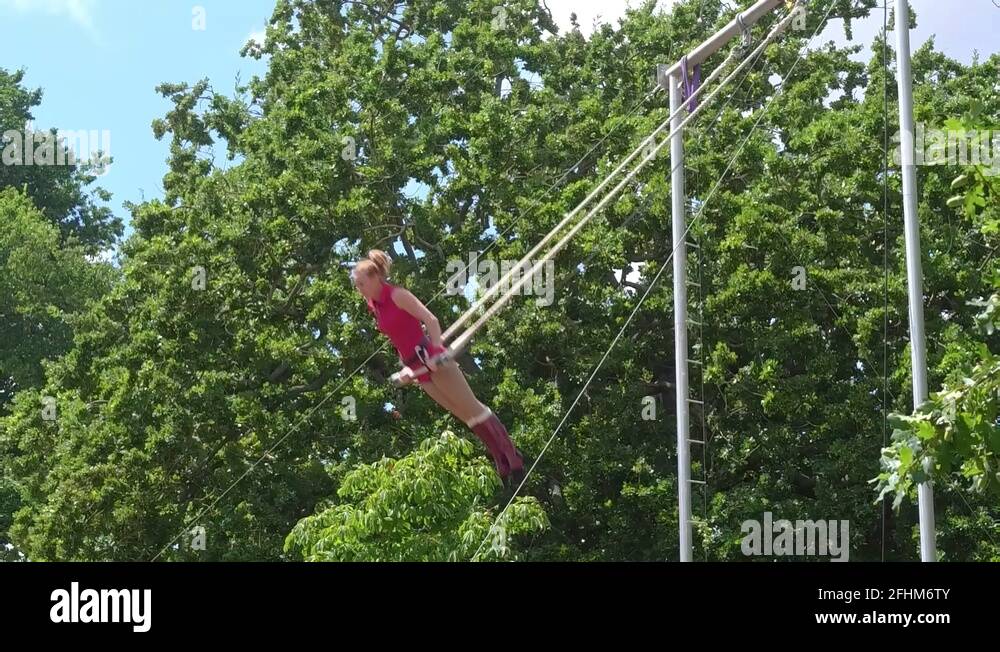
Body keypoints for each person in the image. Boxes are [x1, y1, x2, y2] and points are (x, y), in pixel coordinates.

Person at [352, 249, 526, 488]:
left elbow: (430, 320)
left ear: (375, 278)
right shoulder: (373, 304)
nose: (358, 288)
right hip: (416, 366)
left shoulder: (398, 295)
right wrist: (406, 369)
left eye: (361, 283)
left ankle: (512, 456)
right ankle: (500, 459)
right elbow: (398, 338)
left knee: (472, 406)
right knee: (464, 415)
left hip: (430, 357)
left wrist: (435, 351)